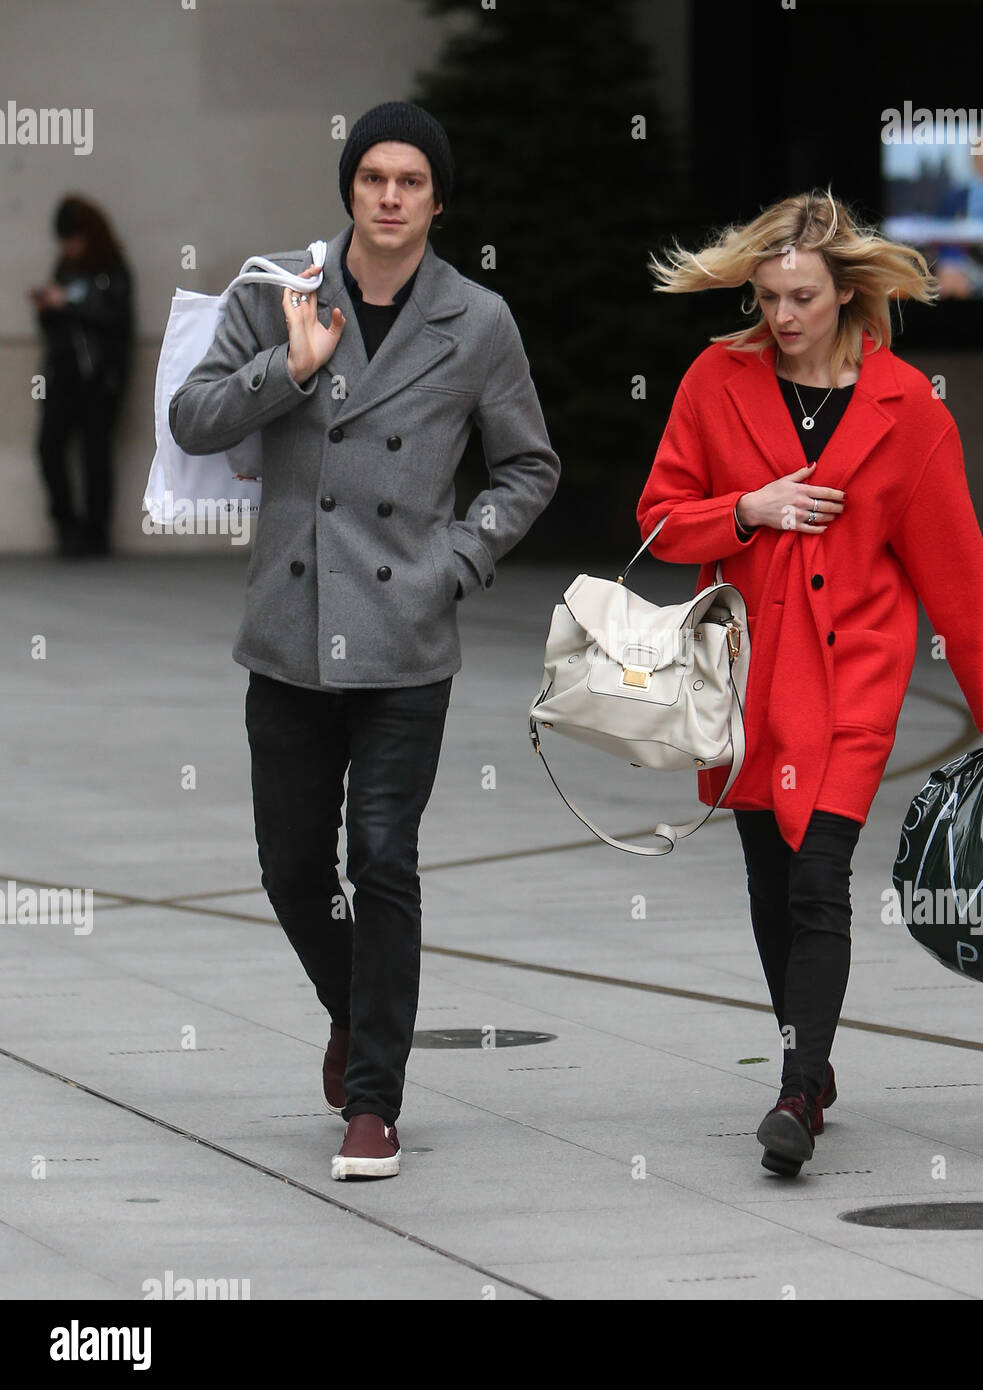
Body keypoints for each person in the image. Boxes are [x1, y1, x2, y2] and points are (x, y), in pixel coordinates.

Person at [169, 102, 560, 1181]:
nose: (389, 197)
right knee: (293, 866)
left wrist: (457, 562)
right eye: (373, 177)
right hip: (289, 634)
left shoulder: (477, 320)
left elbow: (530, 467)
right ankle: (358, 1008)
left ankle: (374, 1102)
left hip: (404, 638)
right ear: (350, 187)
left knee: (382, 859)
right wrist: (286, 371)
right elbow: (192, 419)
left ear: (439, 200)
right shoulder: (278, 292)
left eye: (411, 182)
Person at [637, 189, 983, 1177]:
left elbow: (962, 578)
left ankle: (798, 1087)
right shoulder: (714, 380)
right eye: (768, 295)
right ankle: (805, 1055)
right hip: (746, 681)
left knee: (820, 876)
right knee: (770, 881)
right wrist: (752, 507)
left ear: (848, 293)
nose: (782, 316)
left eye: (803, 295)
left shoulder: (909, 410)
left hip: (854, 682)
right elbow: (659, 518)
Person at [30, 196, 134, 557]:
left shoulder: (112, 268)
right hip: (64, 377)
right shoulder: (65, 267)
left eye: (73, 239)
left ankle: (95, 534)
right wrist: (48, 306)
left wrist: (69, 304)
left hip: (99, 380)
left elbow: (116, 320)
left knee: (96, 455)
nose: (68, 247)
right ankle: (67, 527)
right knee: (48, 447)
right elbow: (54, 325)